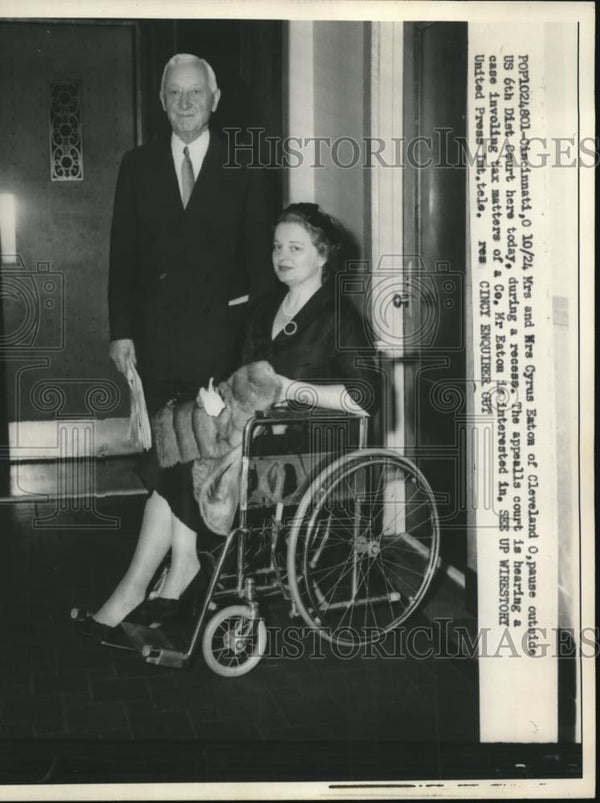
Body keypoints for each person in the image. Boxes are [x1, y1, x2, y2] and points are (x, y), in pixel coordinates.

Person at [74, 201, 376, 643]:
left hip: (303, 444)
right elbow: (244, 379)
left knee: (184, 463)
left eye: (296, 247)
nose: (282, 256)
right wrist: (217, 401)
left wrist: (291, 390)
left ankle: (161, 582)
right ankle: (149, 584)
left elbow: (364, 398)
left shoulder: (338, 317)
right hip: (252, 432)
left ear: (323, 255)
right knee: (172, 450)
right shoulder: (265, 309)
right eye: (277, 247)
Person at [71, 53, 273, 640]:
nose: (185, 104)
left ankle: (164, 577)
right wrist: (120, 329)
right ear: (162, 102)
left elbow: (263, 265)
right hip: (156, 339)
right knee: (171, 451)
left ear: (215, 101)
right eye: (175, 95)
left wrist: (248, 334)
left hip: (219, 340)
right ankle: (175, 571)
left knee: (191, 450)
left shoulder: (243, 166)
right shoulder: (137, 165)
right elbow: (123, 256)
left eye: (195, 94)